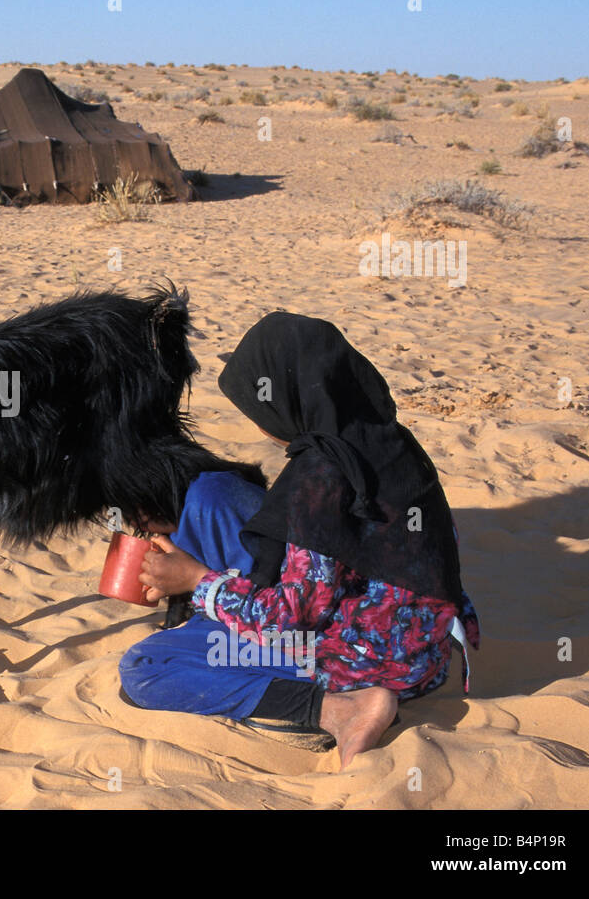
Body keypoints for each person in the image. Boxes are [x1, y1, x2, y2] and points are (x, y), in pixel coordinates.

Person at [118, 312, 479, 769]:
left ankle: (338, 711)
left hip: (364, 665)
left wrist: (196, 581)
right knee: (214, 493)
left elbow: (286, 620)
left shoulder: (319, 476)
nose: (257, 418)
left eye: (257, 403)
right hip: (424, 651)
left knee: (146, 668)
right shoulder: (389, 444)